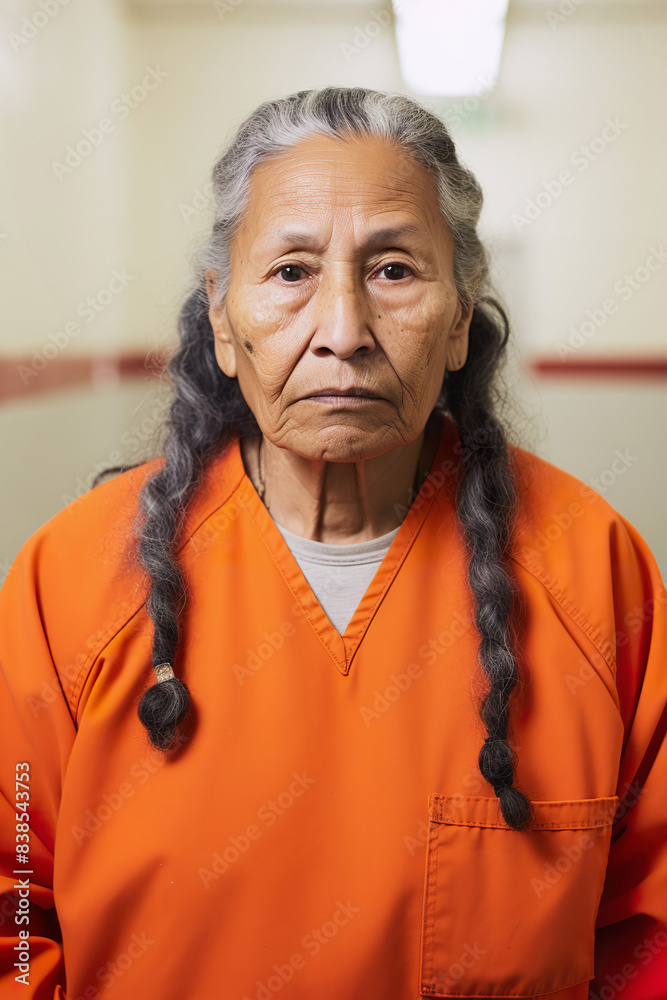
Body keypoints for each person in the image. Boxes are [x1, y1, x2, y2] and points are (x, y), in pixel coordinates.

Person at [1, 86, 666, 1000]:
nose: (343, 333)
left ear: (460, 317)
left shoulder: (593, 572)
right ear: (222, 318)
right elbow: (14, 913)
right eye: (290, 272)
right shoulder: (70, 580)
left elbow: (644, 935)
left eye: (393, 270)